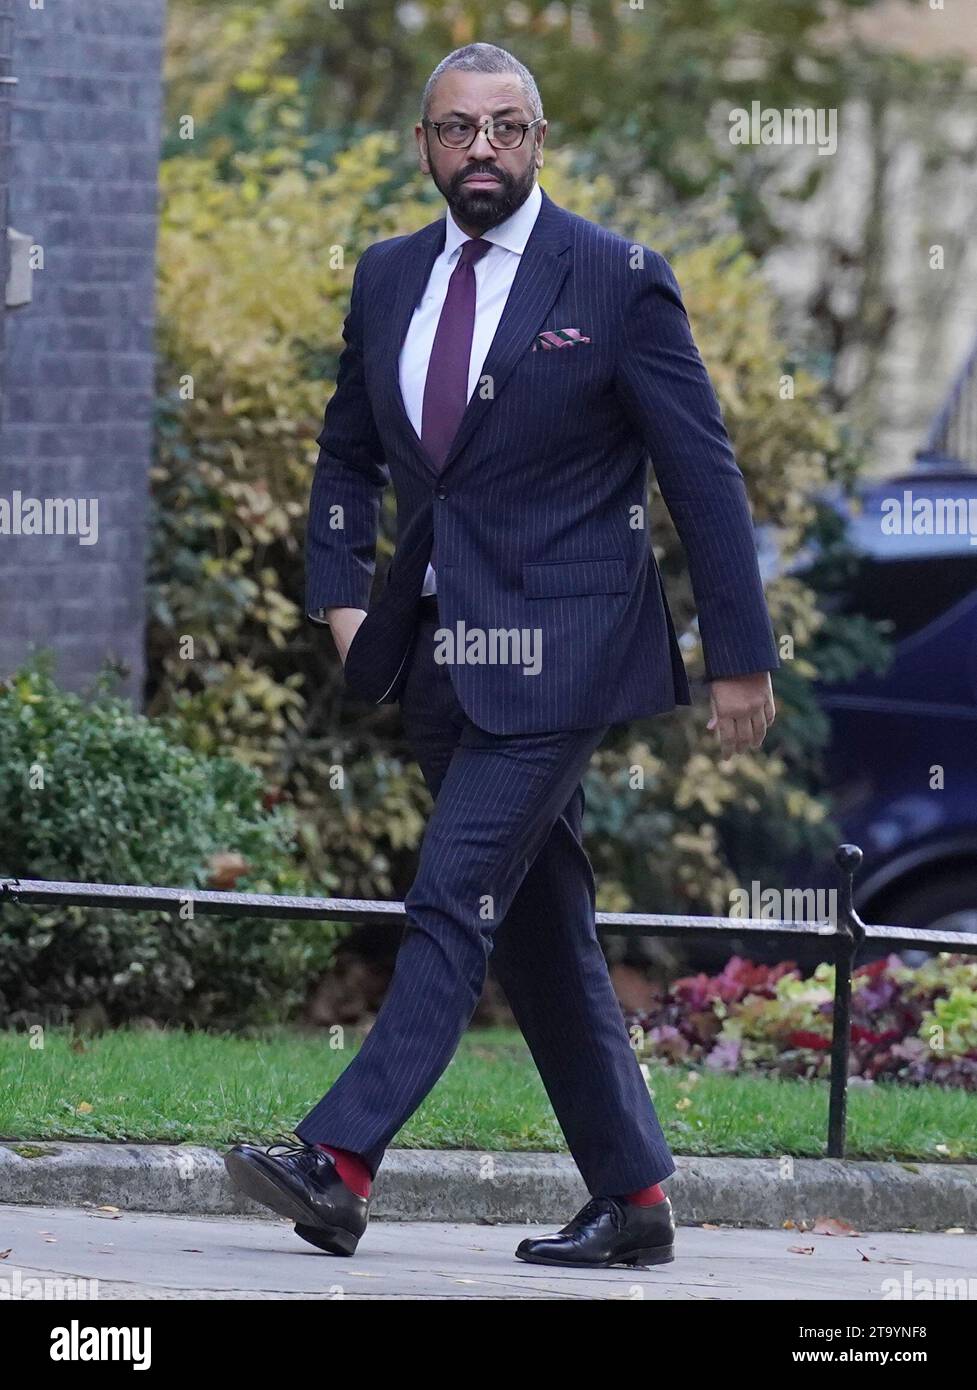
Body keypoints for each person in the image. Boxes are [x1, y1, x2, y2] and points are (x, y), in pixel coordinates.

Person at [224, 42, 777, 1269]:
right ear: (423, 145)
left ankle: (341, 1158)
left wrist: (739, 653)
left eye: (507, 127)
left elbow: (702, 470)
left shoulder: (617, 278)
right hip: (433, 655)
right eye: (458, 128)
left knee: (451, 889)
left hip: (566, 647)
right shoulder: (384, 278)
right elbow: (343, 454)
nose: (483, 148)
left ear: (538, 142)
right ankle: (633, 1198)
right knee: (536, 925)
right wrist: (340, 602)